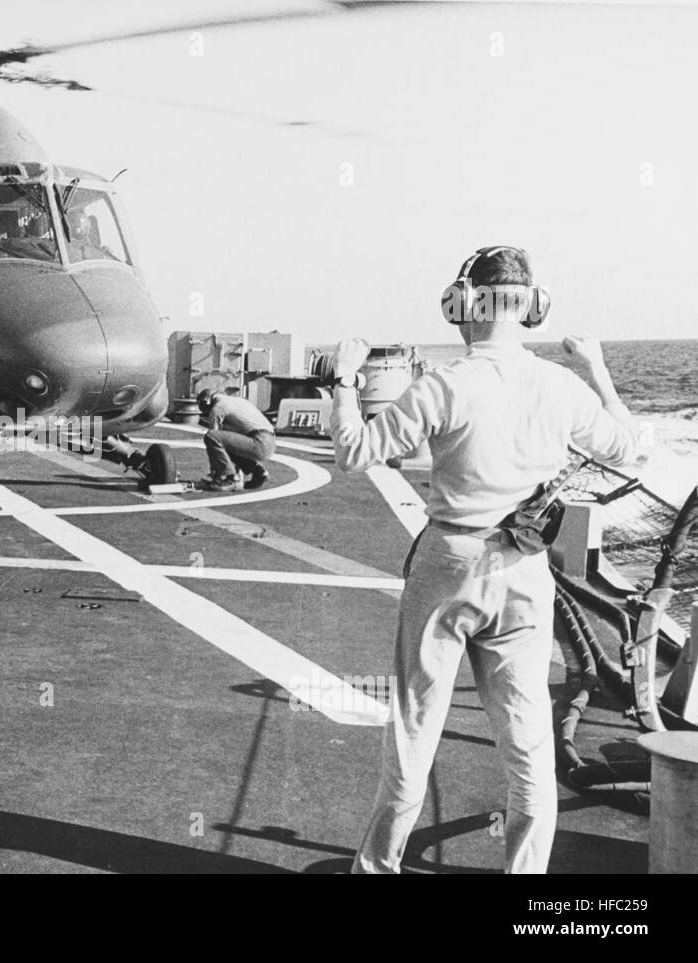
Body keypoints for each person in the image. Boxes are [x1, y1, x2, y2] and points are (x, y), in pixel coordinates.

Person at [332, 246, 640, 874]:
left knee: (415, 731)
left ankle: (376, 869)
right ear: (532, 308)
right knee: (528, 747)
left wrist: (344, 379)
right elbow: (628, 450)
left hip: (448, 561)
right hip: (525, 571)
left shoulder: (444, 384)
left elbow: (354, 452)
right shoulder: (560, 386)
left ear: (463, 304)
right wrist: (598, 368)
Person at [197, 387, 274, 491]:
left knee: (211, 437)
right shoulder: (239, 400)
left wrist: (214, 474)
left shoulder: (218, 408)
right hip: (270, 442)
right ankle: (258, 472)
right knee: (225, 443)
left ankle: (231, 478)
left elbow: (213, 437)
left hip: (259, 443)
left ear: (207, 403)